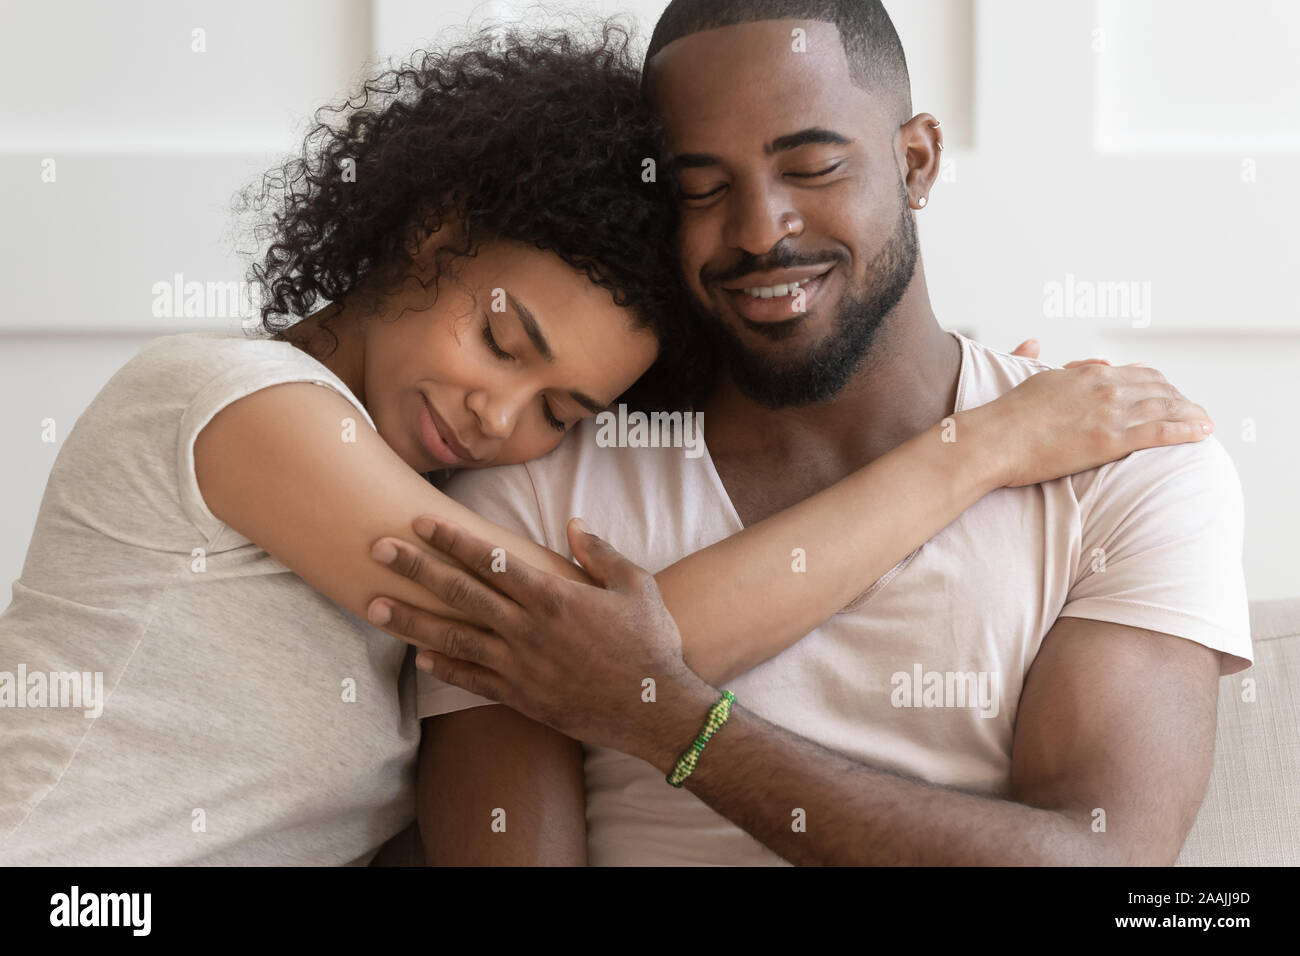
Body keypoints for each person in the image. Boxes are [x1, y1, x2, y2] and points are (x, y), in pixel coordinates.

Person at [0, 21, 1210, 866]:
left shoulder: (453, 483)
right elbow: (584, 652)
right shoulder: (234, 396)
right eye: (503, 336)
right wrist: (978, 450)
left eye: (561, 411)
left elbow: (593, 661)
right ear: (429, 225)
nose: (499, 417)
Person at [376, 3, 1254, 867]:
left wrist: (674, 722)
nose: (761, 230)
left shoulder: (1124, 462)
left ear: (916, 162)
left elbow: (1105, 867)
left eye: (814, 168)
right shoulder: (535, 479)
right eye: (701, 189)